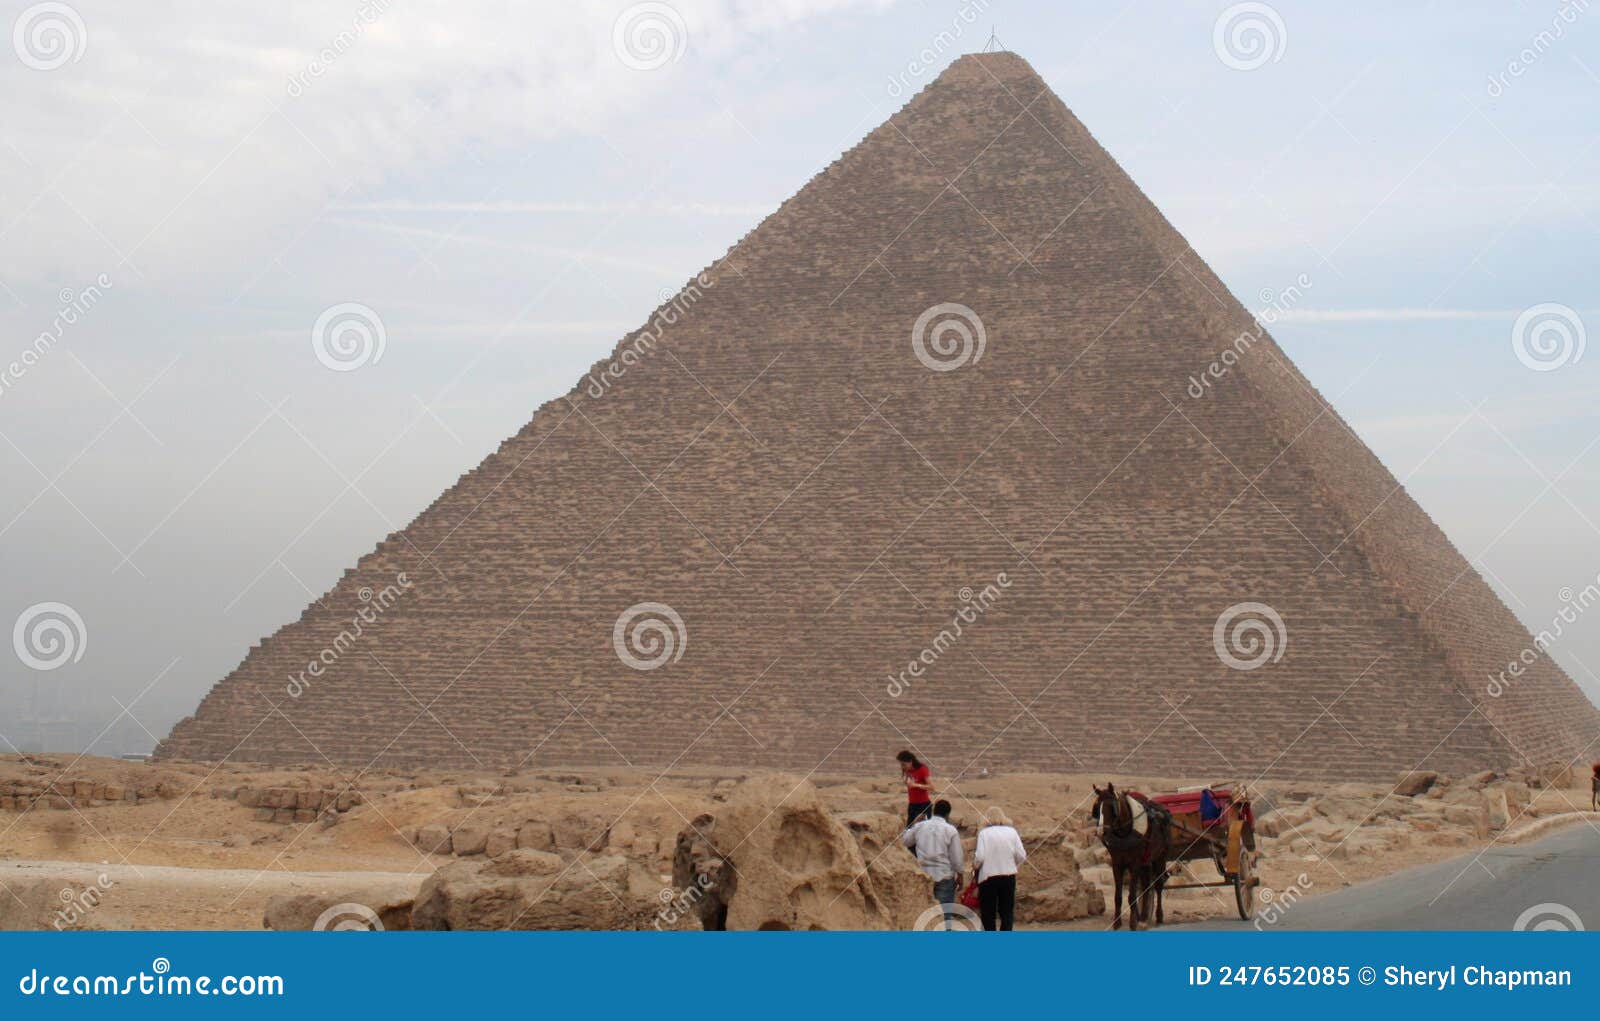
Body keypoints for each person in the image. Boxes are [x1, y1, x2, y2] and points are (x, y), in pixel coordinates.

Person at [901, 799, 964, 929]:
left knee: (924, 917)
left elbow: (905, 841)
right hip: (944, 876)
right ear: (948, 815)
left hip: (924, 875)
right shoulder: (950, 830)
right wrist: (960, 875)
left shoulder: (920, 826)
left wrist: (914, 823)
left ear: (934, 811)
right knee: (944, 916)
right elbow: (956, 857)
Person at [973, 806, 1026, 931]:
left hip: (988, 877)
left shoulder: (983, 833)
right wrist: (1012, 864)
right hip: (1008, 876)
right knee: (1007, 912)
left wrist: (975, 866)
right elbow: (1022, 855)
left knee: (988, 913)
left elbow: (979, 857)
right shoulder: (1012, 832)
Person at [897, 750, 932, 825]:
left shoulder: (922, 769)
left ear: (910, 761)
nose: (902, 767)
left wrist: (916, 785)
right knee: (909, 830)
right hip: (912, 804)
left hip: (923, 805)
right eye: (901, 765)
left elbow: (931, 787)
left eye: (904, 764)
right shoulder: (907, 770)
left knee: (923, 830)